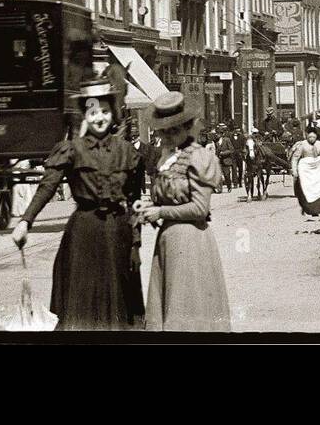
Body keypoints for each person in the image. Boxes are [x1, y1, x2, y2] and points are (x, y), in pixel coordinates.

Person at [12, 79, 145, 330]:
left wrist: (136, 243)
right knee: (81, 302)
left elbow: (134, 200)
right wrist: (25, 221)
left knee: (119, 303)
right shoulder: (71, 150)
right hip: (83, 234)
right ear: (85, 114)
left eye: (105, 111)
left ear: (113, 113)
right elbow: (47, 186)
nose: (100, 118)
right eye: (93, 112)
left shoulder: (127, 151)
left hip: (119, 234)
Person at [137, 92, 231, 332]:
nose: (168, 136)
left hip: (191, 242)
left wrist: (161, 212)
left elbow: (200, 208)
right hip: (168, 241)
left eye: (174, 130)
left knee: (187, 311)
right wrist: (149, 208)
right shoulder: (167, 157)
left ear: (188, 127)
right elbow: (168, 199)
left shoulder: (199, 157)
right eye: (163, 131)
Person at [291, 126, 320, 218]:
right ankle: (307, 208)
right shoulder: (302, 145)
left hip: (317, 170)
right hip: (306, 171)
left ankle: (317, 209)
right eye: (310, 137)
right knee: (305, 189)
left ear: (316, 137)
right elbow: (295, 158)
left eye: (313, 137)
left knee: (318, 188)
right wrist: (294, 170)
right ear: (307, 137)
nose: (311, 139)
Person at [215, 125, 238, 192]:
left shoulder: (227, 140)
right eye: (216, 133)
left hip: (226, 160)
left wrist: (223, 153)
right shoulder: (216, 142)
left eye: (218, 133)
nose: (217, 135)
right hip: (219, 161)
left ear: (222, 134)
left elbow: (231, 150)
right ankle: (219, 189)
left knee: (226, 175)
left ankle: (229, 186)